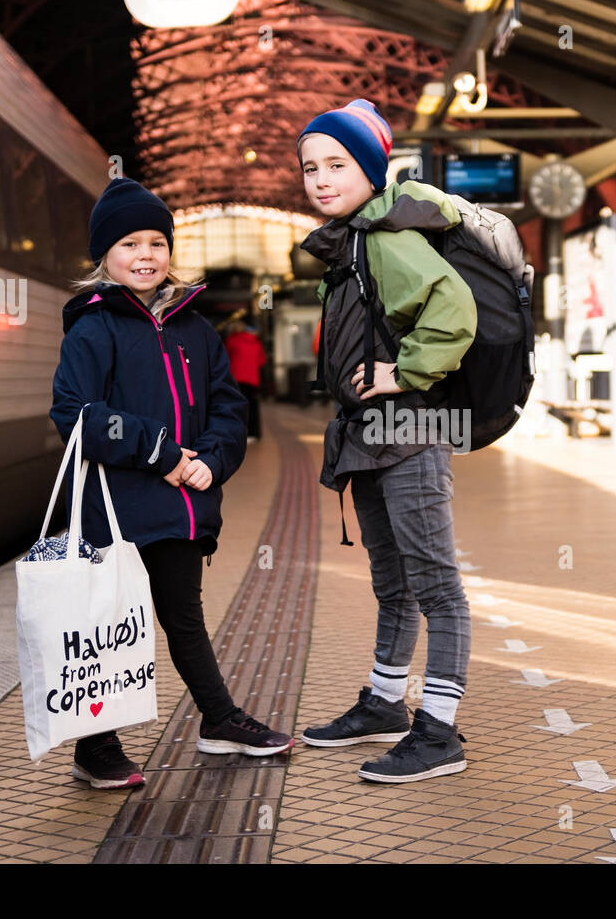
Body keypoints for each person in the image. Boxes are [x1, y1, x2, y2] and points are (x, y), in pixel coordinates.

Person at [49, 177, 292, 790]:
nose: (145, 254)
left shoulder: (195, 330)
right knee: (107, 627)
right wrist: (162, 453)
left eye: (156, 241)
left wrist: (213, 459)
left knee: (183, 617)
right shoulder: (92, 329)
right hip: (116, 506)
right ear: (104, 255)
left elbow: (227, 407)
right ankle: (95, 747)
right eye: (129, 243)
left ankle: (219, 720)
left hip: (183, 506)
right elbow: (74, 414)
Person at [295, 99, 476, 783]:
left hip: (410, 429)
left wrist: (404, 370)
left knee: (434, 583)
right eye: (311, 167)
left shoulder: (386, 239)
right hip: (368, 434)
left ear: (371, 169)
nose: (320, 178)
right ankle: (384, 701)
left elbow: (453, 309)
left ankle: (439, 730)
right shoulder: (353, 241)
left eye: (337, 164)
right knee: (392, 580)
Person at [223, 318, 267, 441]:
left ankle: (239, 433)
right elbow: (262, 361)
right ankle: (255, 433)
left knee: (237, 406)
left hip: (236, 379)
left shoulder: (232, 340)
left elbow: (225, 359)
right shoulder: (255, 342)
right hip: (253, 380)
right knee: (253, 406)